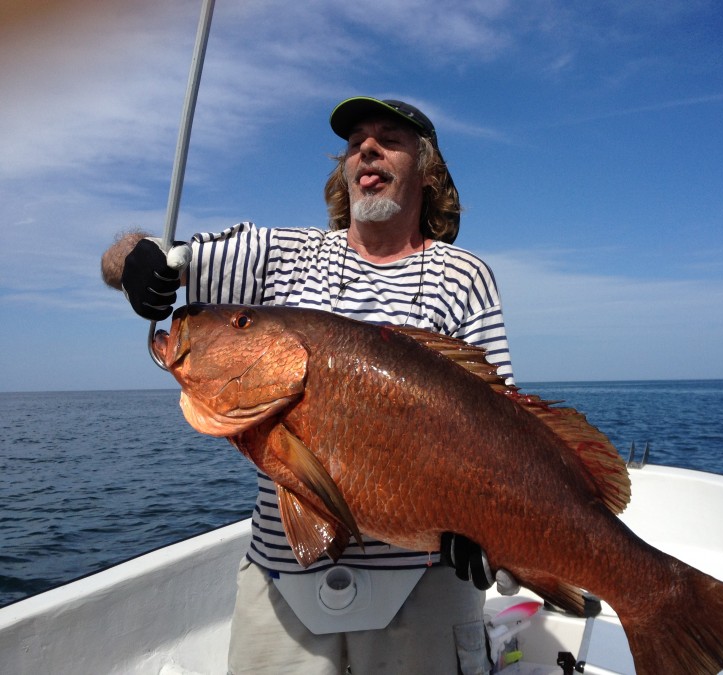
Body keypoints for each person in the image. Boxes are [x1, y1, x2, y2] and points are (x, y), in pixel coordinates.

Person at [101, 97, 517, 675]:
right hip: (282, 578)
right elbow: (148, 258)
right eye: (355, 142)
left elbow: (503, 426)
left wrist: (490, 529)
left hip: (427, 579)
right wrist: (134, 262)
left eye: (389, 139)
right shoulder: (282, 255)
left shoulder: (464, 276)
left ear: (428, 171)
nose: (366, 149)